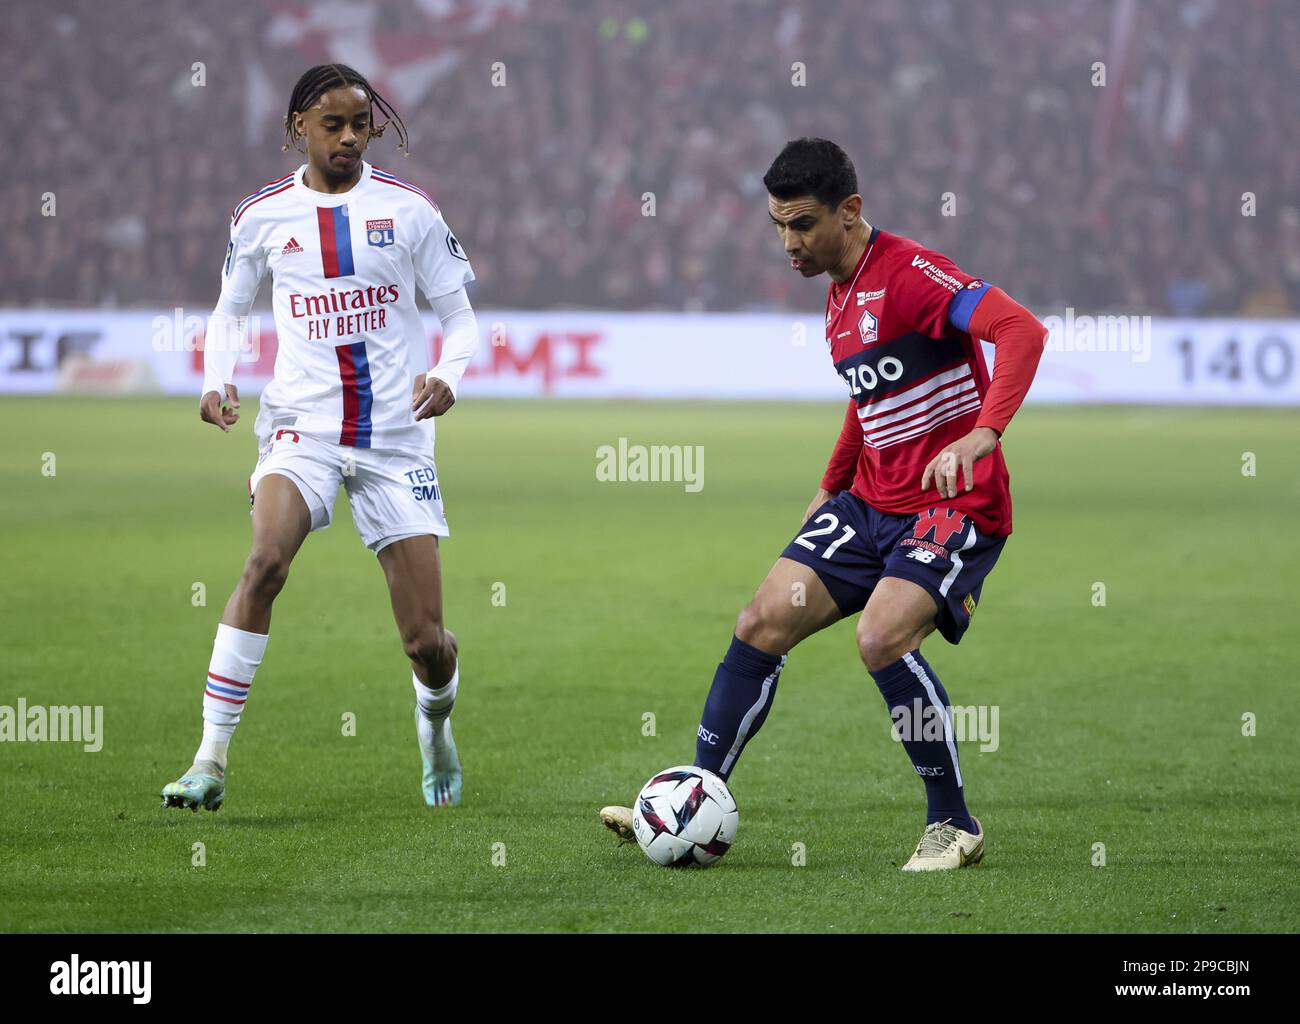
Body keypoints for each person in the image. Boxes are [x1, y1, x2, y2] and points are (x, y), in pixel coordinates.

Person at [601, 138, 1046, 869]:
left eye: (802, 224)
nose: (788, 242)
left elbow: (1021, 329)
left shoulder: (911, 276)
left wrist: (984, 434)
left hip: (951, 504)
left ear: (851, 211)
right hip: (870, 503)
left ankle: (953, 824)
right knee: (760, 620)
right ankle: (693, 800)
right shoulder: (839, 294)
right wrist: (830, 486)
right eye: (777, 225)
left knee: (879, 639)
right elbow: (866, 403)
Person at [162, 64, 479, 812]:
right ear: (296, 127)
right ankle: (209, 758)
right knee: (265, 561)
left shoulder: (409, 211)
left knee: (425, 642)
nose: (347, 138)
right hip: (299, 426)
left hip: (396, 438)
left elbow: (461, 319)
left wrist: (450, 373)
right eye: (331, 124)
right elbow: (230, 310)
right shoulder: (260, 216)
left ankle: (434, 727)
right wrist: (216, 377)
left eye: (359, 125)